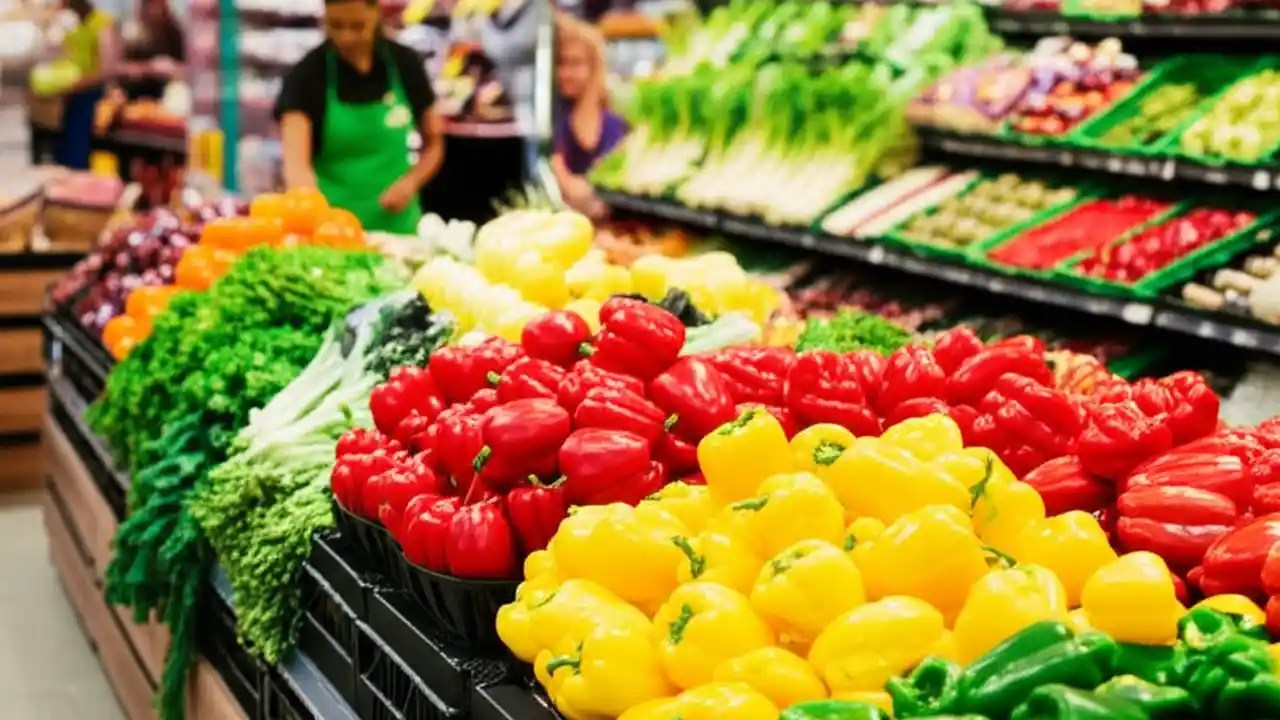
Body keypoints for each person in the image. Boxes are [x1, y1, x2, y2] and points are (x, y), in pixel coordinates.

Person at [276, 0, 444, 234]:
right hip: (333, 233)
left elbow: (435, 144)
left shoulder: (405, 64)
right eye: (335, 25)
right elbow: (296, 168)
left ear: (376, 14)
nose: (346, 37)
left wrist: (411, 182)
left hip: (400, 231)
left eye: (357, 26)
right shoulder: (306, 77)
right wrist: (311, 214)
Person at [552, 14, 625, 219]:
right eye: (560, 64)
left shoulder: (613, 122)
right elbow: (557, 169)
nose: (565, 73)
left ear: (594, 67)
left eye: (576, 63)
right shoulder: (553, 117)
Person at [56, 0, 117, 169]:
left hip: (92, 97)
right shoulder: (70, 25)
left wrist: (81, 82)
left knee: (81, 156)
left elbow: (108, 69)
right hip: (71, 97)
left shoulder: (102, 22)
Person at [118, 0, 185, 100]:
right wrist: (150, 68)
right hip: (135, 93)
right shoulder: (131, 32)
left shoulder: (173, 32)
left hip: (166, 94)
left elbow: (184, 66)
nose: (156, 11)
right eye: (152, 6)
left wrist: (172, 68)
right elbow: (118, 68)